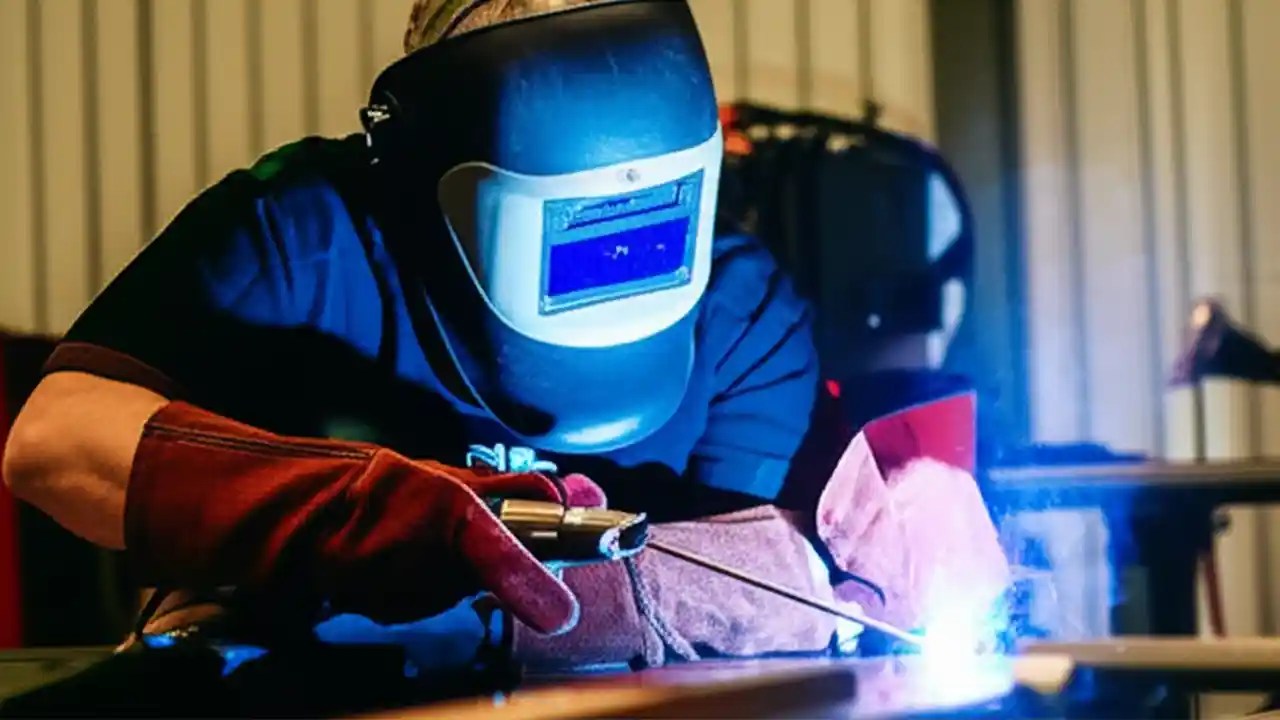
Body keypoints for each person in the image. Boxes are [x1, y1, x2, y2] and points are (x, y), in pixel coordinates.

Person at [2, 0, 836, 673]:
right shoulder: (303, 230)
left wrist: (495, 619)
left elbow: (759, 590)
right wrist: (335, 507)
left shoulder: (741, 305)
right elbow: (52, 444)